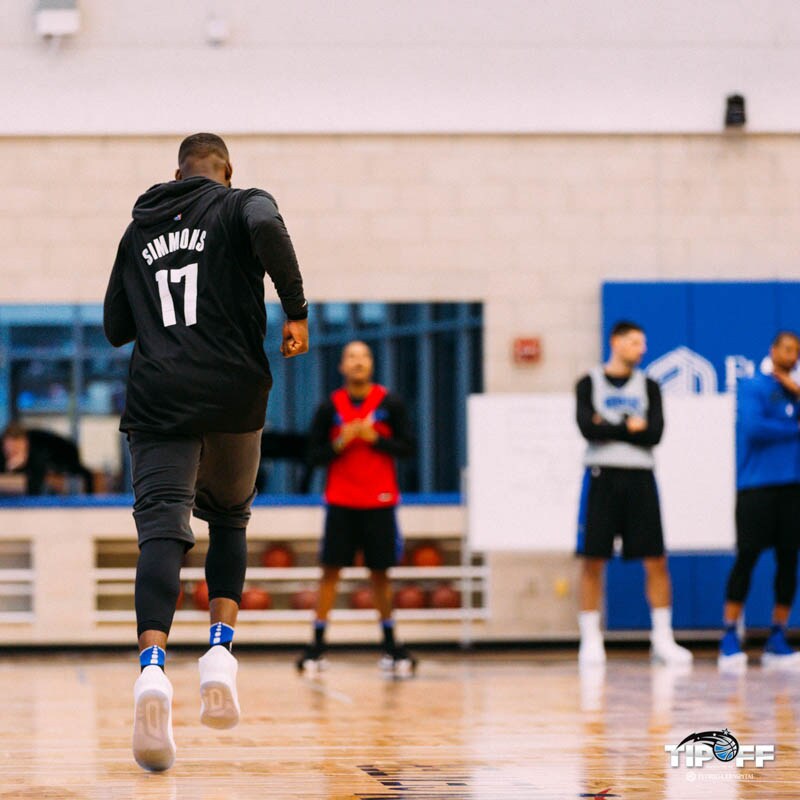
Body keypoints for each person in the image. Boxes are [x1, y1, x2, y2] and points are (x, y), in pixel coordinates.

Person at [103, 133, 308, 771]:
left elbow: (116, 328)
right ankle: (219, 652)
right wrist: (294, 310)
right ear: (226, 173)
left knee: (163, 530)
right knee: (229, 517)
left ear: (175, 174)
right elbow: (268, 226)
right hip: (233, 391)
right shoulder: (242, 202)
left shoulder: (137, 230)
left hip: (160, 396)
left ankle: (153, 668)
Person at [575, 320, 692, 667]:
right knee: (593, 558)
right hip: (601, 478)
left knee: (655, 558)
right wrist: (629, 426)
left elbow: (654, 433)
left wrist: (607, 427)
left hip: (641, 478)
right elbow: (585, 427)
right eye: (634, 342)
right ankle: (591, 639)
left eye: (643, 344)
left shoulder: (650, 386)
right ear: (616, 342)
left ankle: (662, 638)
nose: (641, 349)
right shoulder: (588, 383)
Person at [297, 341, 417, 676]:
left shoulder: (390, 403)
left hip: (380, 500)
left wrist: (374, 438)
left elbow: (409, 447)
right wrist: (342, 441)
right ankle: (317, 646)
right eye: (351, 356)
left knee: (380, 573)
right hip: (341, 500)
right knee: (329, 572)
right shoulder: (329, 407)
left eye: (364, 356)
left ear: (372, 364)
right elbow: (313, 455)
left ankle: (391, 644)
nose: (358, 362)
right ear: (342, 366)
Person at [719, 331, 800, 670]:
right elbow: (754, 429)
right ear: (773, 351)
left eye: (797, 351)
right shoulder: (753, 386)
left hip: (792, 488)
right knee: (747, 558)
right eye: (787, 349)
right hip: (756, 488)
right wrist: (795, 427)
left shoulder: (795, 393)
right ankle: (728, 636)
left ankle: (777, 637)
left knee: (788, 561)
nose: (792, 355)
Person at [1, 423, 93, 495]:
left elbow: (34, 488)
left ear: (25, 444)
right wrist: (9, 469)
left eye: (17, 448)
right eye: (8, 449)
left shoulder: (37, 458)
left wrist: (16, 470)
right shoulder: (1, 458)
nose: (12, 452)